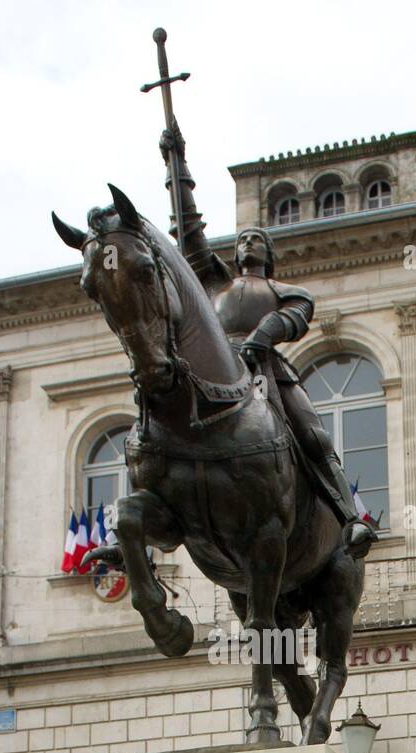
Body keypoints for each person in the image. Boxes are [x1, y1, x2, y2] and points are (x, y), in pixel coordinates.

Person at [158, 119, 377, 559]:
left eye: (257, 239)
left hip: (267, 373)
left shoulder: (281, 291)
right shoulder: (216, 283)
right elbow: (187, 229)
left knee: (313, 436)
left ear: (268, 256)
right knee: (159, 427)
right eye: (243, 239)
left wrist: (262, 337)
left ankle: (350, 519)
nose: (248, 242)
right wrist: (175, 165)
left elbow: (296, 316)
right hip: (217, 374)